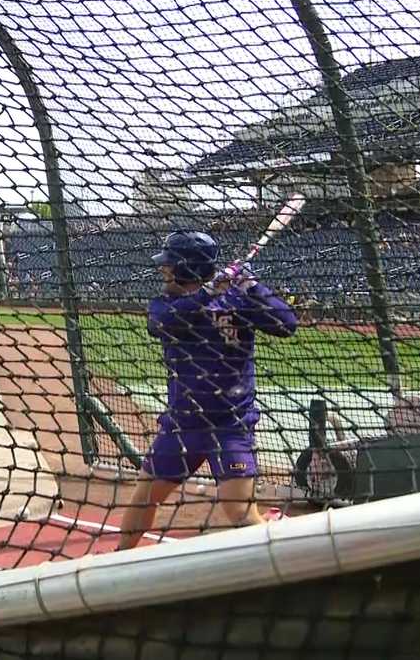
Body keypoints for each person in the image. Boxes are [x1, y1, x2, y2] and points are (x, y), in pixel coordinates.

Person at [116, 230, 298, 550]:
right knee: (144, 499)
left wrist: (253, 287)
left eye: (169, 264)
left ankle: (287, 554)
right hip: (183, 424)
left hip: (231, 425)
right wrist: (210, 292)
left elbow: (286, 324)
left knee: (240, 513)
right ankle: (118, 559)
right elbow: (162, 324)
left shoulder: (238, 299)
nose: (164, 269)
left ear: (187, 268)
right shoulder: (167, 303)